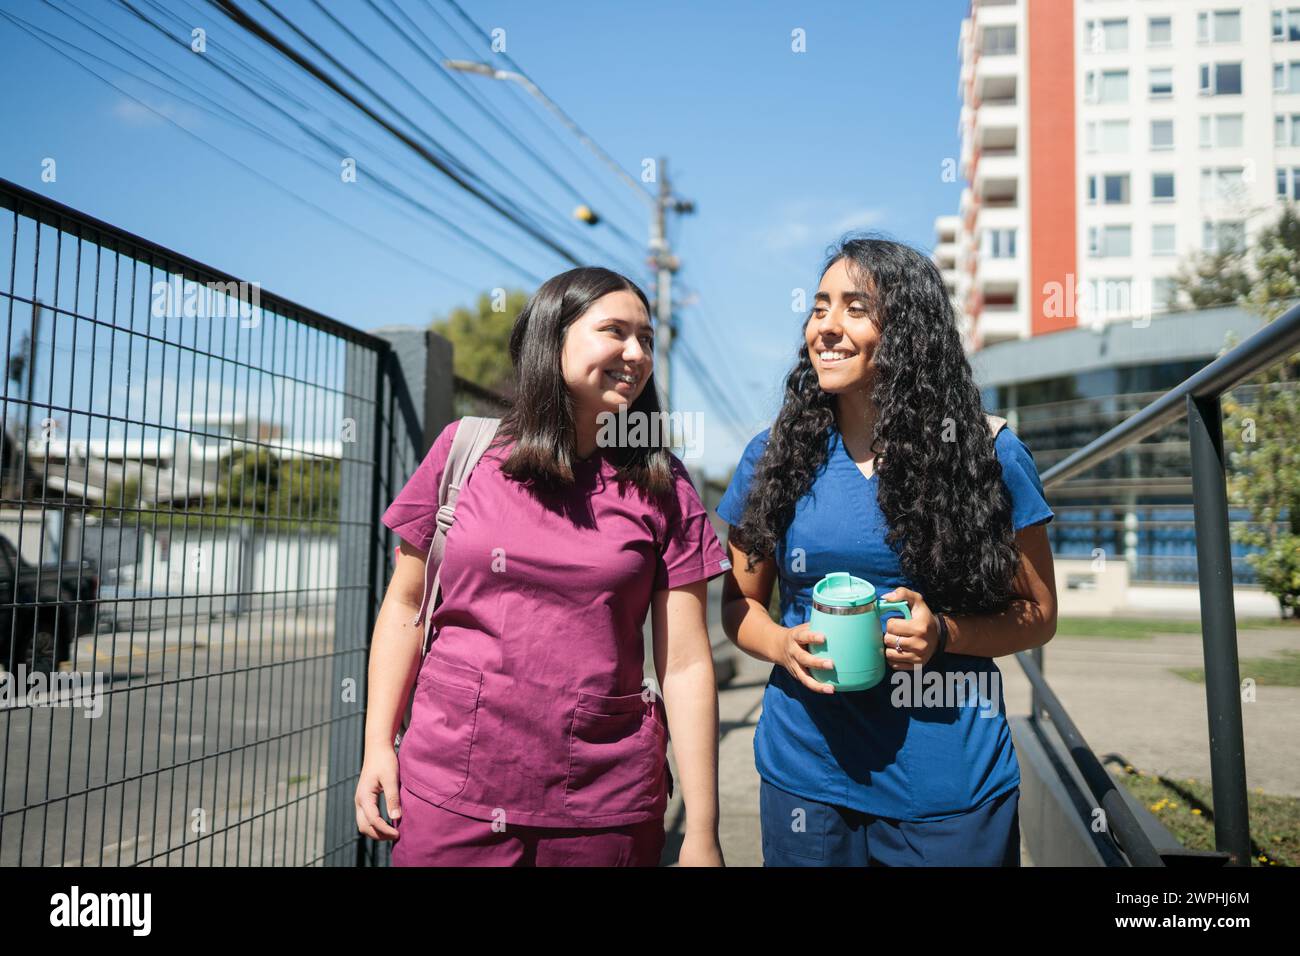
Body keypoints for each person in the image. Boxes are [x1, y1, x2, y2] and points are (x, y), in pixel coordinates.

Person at [355, 267, 729, 866]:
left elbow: (683, 663)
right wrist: (378, 745)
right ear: (552, 338)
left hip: (604, 807)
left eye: (647, 339)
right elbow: (404, 606)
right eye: (615, 331)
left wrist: (704, 834)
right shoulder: (465, 452)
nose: (636, 354)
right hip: (452, 791)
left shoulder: (663, 484)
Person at [717, 235, 1058, 866]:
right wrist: (780, 645)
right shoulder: (774, 456)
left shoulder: (988, 456)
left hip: (949, 788)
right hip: (807, 779)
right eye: (819, 308)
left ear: (907, 331)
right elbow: (739, 605)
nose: (827, 327)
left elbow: (1038, 614)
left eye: (854, 308)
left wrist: (945, 634)